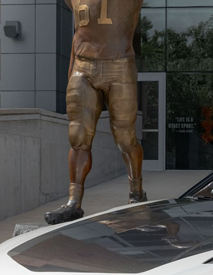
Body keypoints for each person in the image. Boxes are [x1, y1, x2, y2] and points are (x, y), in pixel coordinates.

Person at [44, 0, 148, 225]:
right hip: (84, 65)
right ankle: (74, 201)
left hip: (119, 64)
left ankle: (136, 194)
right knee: (78, 136)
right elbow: (77, 31)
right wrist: (71, 72)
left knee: (125, 137)